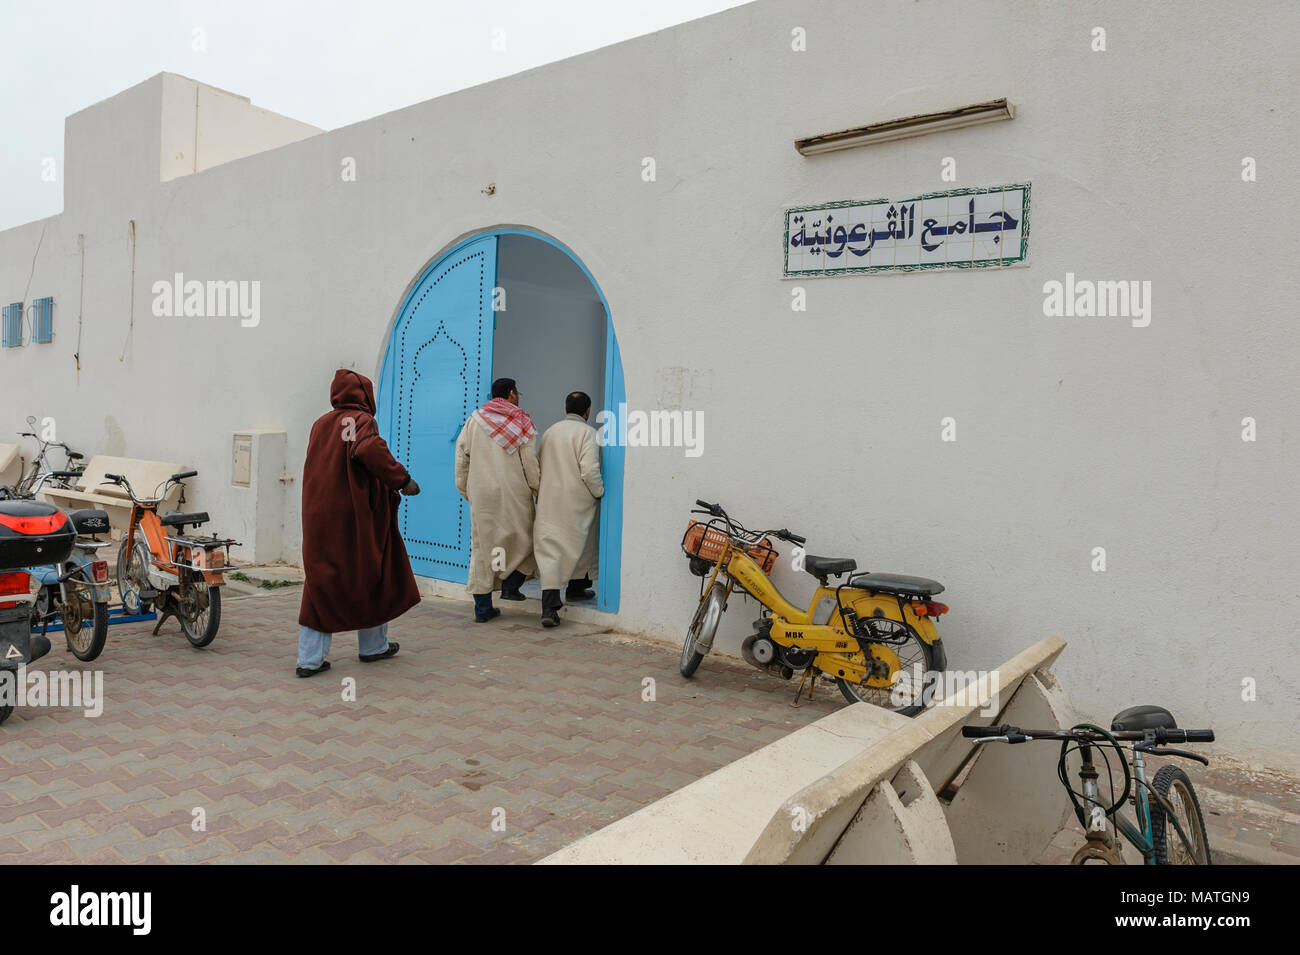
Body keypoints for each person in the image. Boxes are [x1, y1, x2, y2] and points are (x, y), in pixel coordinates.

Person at [297, 369, 421, 677]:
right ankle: (372, 647)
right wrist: (402, 479)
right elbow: (366, 448)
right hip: (354, 518)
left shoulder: (320, 425)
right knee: (372, 573)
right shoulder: (358, 420)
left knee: (319, 584)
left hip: (318, 517)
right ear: (364, 395)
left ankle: (309, 660)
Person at [455, 377, 540, 622]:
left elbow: (462, 458)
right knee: (525, 541)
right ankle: (511, 586)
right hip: (513, 492)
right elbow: (529, 463)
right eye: (517, 393)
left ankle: (483, 609)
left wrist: (466, 489)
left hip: (482, 493)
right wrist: (537, 488)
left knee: (483, 548)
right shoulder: (522, 421)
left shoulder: (474, 420)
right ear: (512, 393)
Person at [533, 391, 604, 628]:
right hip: (576, 501)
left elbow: (539, 464)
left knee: (552, 549)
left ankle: (566, 594)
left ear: (566, 409)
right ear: (587, 411)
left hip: (550, 499)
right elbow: (589, 470)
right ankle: (559, 601)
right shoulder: (588, 433)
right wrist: (599, 492)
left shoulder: (551, 431)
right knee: (581, 544)